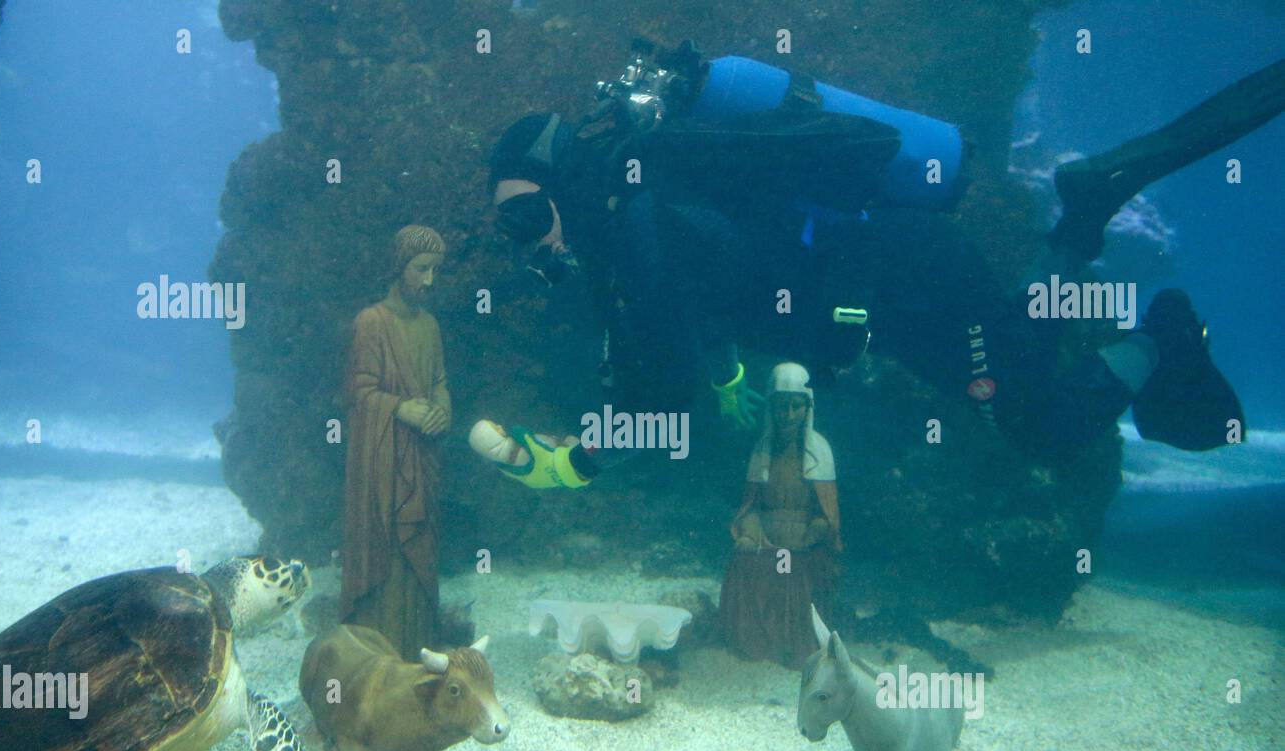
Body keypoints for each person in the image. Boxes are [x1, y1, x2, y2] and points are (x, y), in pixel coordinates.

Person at [483, 43, 1280, 487]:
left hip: (905, 279)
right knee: (1020, 376)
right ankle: (1087, 231)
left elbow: (662, 387)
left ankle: (1135, 290)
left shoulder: (636, 223)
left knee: (1038, 422)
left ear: (564, 189)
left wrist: (570, 466)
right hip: (894, 282)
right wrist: (731, 378)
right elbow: (712, 299)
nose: (530, 242)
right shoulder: (641, 206)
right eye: (509, 230)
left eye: (526, 216)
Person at [340, 225, 452, 662]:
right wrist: (399, 409)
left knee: (420, 548)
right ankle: (371, 662)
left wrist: (442, 407)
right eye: (421, 269)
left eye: (435, 270)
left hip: (421, 459)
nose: (429, 280)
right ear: (399, 266)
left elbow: (439, 381)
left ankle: (416, 652)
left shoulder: (429, 325)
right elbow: (357, 392)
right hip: (382, 465)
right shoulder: (371, 322)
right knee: (385, 550)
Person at [721, 362, 843, 670]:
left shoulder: (820, 452)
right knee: (743, 559)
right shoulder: (762, 449)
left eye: (795, 406)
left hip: (805, 544)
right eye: (781, 407)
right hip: (766, 540)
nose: (788, 415)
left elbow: (826, 514)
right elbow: (751, 505)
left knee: (794, 567)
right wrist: (750, 534)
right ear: (771, 408)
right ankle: (752, 644)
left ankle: (797, 648)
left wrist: (810, 535)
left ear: (807, 408)